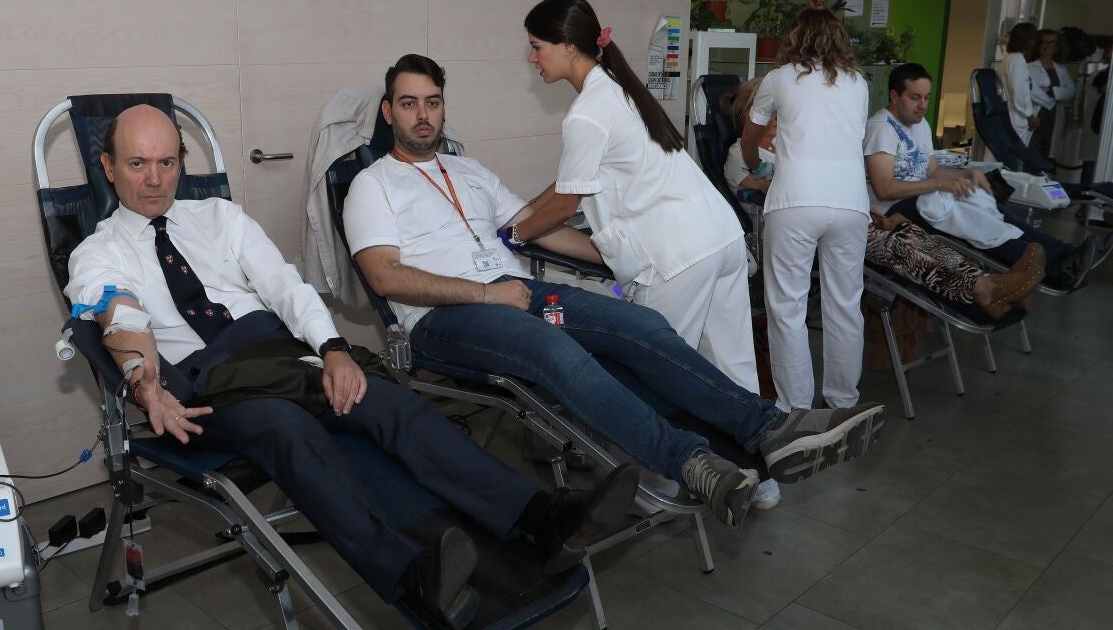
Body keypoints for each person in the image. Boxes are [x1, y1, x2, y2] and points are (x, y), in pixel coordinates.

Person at [65, 104, 643, 630]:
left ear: (182, 163)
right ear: (108, 166)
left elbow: (287, 289)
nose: (154, 178)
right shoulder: (98, 251)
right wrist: (145, 386)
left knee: (388, 403)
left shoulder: (220, 216)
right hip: (205, 381)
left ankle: (541, 519)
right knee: (287, 428)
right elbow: (120, 316)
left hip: (276, 352)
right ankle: (412, 575)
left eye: (167, 162)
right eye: (137, 163)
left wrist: (334, 350)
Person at [344, 53, 888, 533]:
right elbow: (385, 277)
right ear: (389, 113)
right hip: (447, 319)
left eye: (432, 102)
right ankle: (689, 463)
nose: (422, 115)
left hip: (520, 294)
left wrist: (616, 258)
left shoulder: (470, 172)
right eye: (409, 103)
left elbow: (536, 226)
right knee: (557, 350)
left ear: (443, 108)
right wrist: (486, 297)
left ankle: (770, 429)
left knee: (640, 326)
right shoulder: (373, 185)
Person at [507, 0, 757, 395]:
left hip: (678, 257)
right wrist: (526, 209)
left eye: (537, 47)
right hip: (720, 238)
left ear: (568, 46)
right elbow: (572, 182)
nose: (532, 59)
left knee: (656, 379)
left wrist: (513, 235)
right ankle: (764, 446)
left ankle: (668, 457)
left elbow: (566, 204)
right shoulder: (618, 90)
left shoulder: (587, 112)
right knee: (733, 372)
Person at [722, 79, 1043, 318]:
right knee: (895, 247)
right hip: (807, 235)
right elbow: (761, 189)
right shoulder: (741, 152)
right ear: (754, 114)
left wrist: (868, 209)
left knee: (913, 235)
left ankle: (994, 284)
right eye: (775, 110)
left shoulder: (796, 147)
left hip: (842, 220)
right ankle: (984, 291)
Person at [739, 0, 870, 412]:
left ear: (794, 38)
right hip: (851, 204)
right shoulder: (859, 83)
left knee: (787, 307)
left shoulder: (778, 79)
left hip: (795, 202)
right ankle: (843, 401)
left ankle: (795, 407)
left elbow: (751, 134)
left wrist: (753, 162)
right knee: (845, 305)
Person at [864, 63, 1103, 290]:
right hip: (891, 212)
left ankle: (1064, 255)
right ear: (895, 96)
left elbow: (933, 170)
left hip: (921, 198)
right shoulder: (881, 128)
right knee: (974, 220)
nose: (923, 105)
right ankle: (1055, 264)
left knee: (986, 203)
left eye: (926, 97)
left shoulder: (920, 124)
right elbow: (885, 189)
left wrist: (968, 174)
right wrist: (940, 184)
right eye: (915, 97)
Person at [1026, 29, 1076, 160]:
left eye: (1051, 43)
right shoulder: (1029, 67)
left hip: (1055, 117)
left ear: (1057, 47)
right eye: (1043, 42)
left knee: (1048, 155)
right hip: (1037, 115)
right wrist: (1053, 99)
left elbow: (1071, 91)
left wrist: (1050, 90)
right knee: (1032, 153)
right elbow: (1030, 92)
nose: (1046, 46)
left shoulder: (1061, 69)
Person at [1001, 22, 1039, 146]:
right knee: (1010, 160)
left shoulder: (1012, 59)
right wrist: (1030, 115)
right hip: (1015, 119)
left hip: (1011, 118)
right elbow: (1018, 92)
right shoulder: (1016, 61)